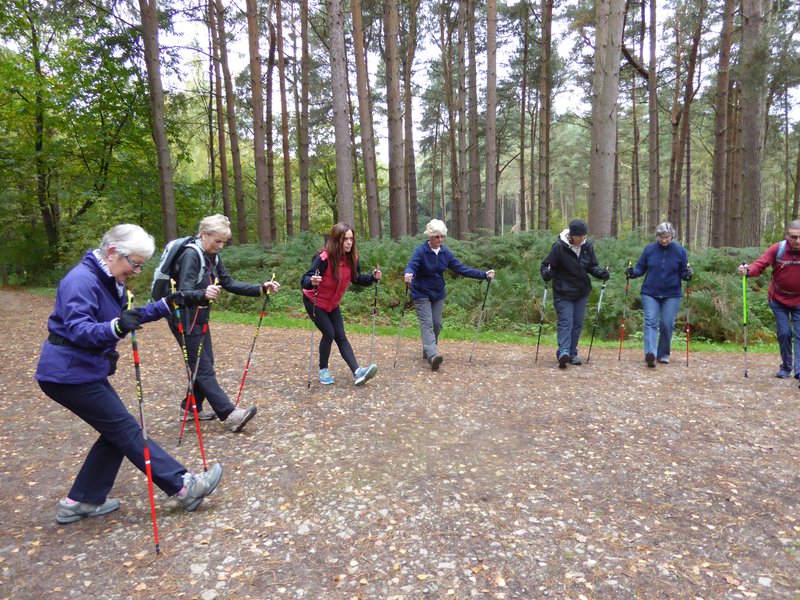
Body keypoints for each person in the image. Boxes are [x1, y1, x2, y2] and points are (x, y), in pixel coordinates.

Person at [35, 224, 223, 524]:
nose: (136, 271)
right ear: (112, 253)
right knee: (125, 430)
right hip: (68, 374)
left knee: (116, 432)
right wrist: (116, 328)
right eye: (134, 263)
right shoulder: (81, 281)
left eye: (141, 265)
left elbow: (127, 318)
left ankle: (81, 501)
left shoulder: (107, 278)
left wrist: (166, 304)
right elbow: (78, 329)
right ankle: (183, 486)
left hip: (82, 372)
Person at [170, 214, 280, 431]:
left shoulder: (212, 256)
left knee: (205, 363)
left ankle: (191, 407)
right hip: (184, 316)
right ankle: (229, 414)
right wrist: (203, 293)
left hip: (199, 315)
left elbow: (228, 282)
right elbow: (182, 292)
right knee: (202, 368)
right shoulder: (192, 255)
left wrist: (260, 288)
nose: (220, 246)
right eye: (217, 241)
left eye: (223, 242)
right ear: (204, 234)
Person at [404, 219, 495, 370]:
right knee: (427, 324)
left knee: (437, 324)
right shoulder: (421, 252)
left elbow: (462, 269)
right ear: (430, 237)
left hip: (438, 293)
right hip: (421, 293)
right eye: (436, 237)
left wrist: (483, 275)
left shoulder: (445, 253)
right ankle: (433, 355)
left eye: (442, 237)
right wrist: (408, 274)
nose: (439, 240)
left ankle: (428, 348)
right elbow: (411, 265)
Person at [301, 222, 380, 385]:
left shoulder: (352, 259)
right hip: (314, 301)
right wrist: (312, 281)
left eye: (351, 239)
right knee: (329, 333)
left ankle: (358, 372)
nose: (349, 242)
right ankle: (323, 370)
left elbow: (356, 279)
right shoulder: (323, 259)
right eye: (345, 239)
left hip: (332, 304)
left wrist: (372, 278)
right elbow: (304, 280)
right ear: (337, 241)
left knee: (341, 336)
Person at [540, 219, 609, 369]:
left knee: (577, 323)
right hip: (563, 291)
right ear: (572, 235)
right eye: (580, 237)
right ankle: (563, 351)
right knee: (566, 321)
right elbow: (546, 266)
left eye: (585, 236)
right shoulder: (559, 247)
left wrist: (601, 273)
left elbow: (592, 266)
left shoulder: (587, 246)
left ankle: (572, 352)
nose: (583, 239)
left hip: (581, 291)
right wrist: (547, 273)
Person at [624, 222, 693, 368]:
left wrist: (687, 275)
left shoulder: (680, 251)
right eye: (660, 237)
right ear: (657, 236)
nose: (663, 240)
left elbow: (683, 272)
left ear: (672, 236)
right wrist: (632, 273)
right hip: (650, 292)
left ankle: (663, 354)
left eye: (667, 237)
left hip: (672, 294)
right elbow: (640, 268)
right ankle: (651, 353)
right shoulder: (649, 249)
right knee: (650, 321)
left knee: (667, 324)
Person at [739, 220, 800, 379]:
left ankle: (798, 371)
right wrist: (748, 270)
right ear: (787, 235)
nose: (797, 241)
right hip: (778, 299)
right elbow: (760, 264)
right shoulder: (778, 249)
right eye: (794, 237)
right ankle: (786, 366)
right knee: (784, 333)